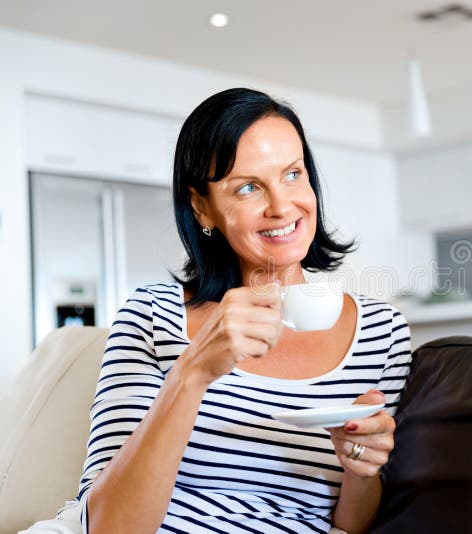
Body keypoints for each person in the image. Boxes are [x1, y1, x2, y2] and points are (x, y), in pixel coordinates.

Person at [76, 88, 412, 534]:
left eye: (293, 175)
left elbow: (351, 526)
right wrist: (192, 371)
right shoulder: (152, 314)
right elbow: (107, 525)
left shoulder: (382, 332)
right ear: (202, 208)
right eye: (249, 187)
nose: (281, 206)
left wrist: (359, 467)